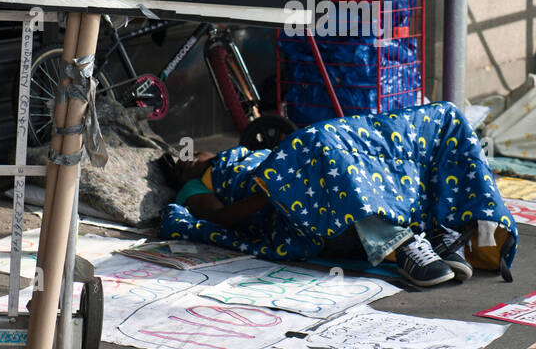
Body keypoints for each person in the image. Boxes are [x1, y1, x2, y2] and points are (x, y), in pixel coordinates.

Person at [159, 102, 516, 287]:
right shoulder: (197, 184)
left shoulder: (240, 152)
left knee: (444, 117)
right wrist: (275, 189)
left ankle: (462, 229)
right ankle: (401, 245)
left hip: (300, 171)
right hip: (289, 203)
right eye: (183, 161)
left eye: (192, 152)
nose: (191, 156)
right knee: (321, 147)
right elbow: (222, 218)